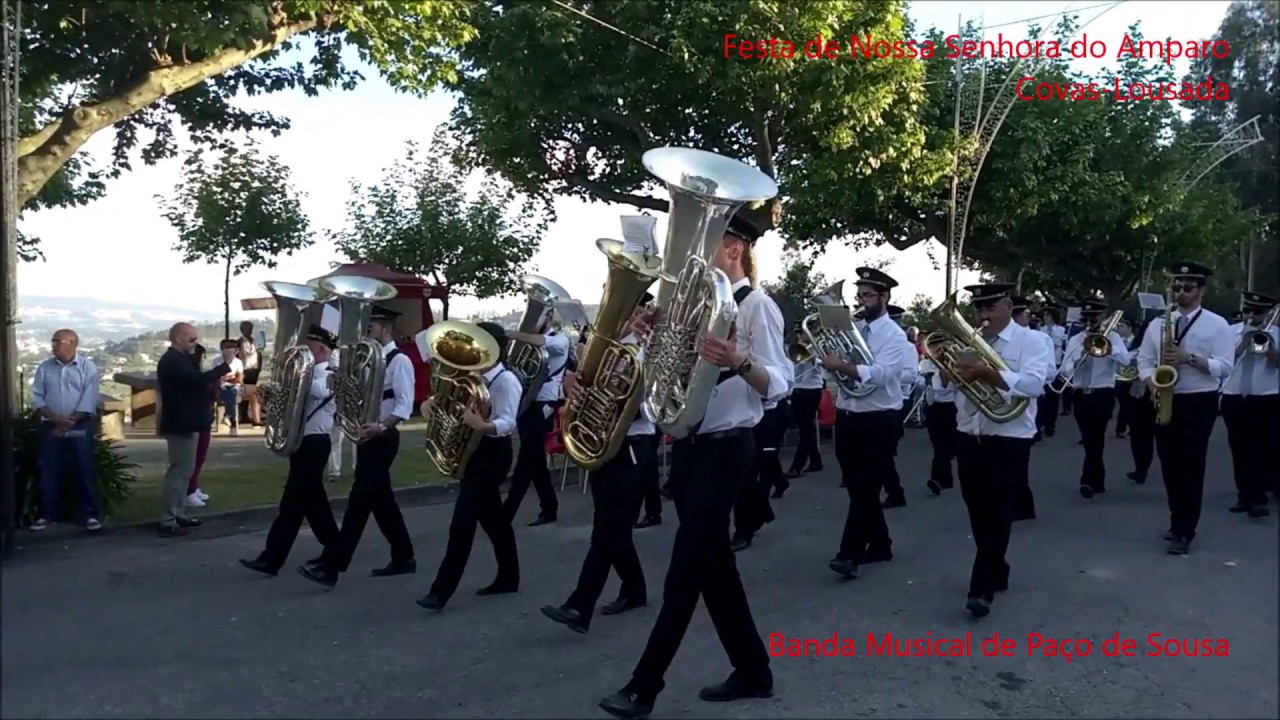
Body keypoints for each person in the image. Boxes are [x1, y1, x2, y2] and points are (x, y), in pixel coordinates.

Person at [598, 215, 787, 720]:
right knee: (715, 570)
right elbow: (666, 376)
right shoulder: (692, 306)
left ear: (736, 248)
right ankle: (753, 671)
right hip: (690, 448)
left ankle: (643, 687)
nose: (698, 252)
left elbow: (780, 382)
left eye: (711, 241)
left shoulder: (757, 305)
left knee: (684, 574)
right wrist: (649, 334)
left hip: (727, 449)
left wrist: (738, 360)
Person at [542, 296, 657, 632]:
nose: (626, 317)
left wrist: (608, 398)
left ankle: (580, 605)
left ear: (642, 314)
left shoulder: (650, 349)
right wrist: (571, 385)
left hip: (632, 442)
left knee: (607, 529)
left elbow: (649, 405)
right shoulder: (606, 347)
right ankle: (635, 590)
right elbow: (578, 381)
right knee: (612, 527)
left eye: (631, 310)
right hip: (602, 439)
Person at [946, 283, 1050, 617]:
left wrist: (990, 374)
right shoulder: (968, 342)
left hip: (1009, 437)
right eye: (978, 309)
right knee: (976, 509)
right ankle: (996, 567)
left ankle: (981, 588)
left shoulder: (1032, 341)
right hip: (969, 433)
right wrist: (946, 374)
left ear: (1007, 306)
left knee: (998, 511)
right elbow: (943, 388)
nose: (982, 316)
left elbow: (1034, 385)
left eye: (989, 308)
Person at [299, 305, 417, 586]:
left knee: (358, 503)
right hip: (366, 435)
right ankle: (404, 556)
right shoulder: (367, 359)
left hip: (383, 436)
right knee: (382, 502)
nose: (368, 329)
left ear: (386, 327)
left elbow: (405, 405)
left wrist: (381, 426)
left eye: (372, 325)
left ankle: (332, 566)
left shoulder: (399, 361)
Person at [415, 322, 523, 610]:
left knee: (462, 522)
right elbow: (445, 399)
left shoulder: (506, 381)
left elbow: (508, 421)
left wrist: (483, 425)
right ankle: (509, 576)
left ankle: (440, 591)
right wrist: (429, 404)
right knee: (493, 520)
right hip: (473, 453)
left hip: (493, 453)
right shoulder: (469, 377)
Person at [1136, 262, 1234, 556]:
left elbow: (1225, 367)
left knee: (1191, 466)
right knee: (1169, 464)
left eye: (1187, 287)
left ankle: (1185, 529)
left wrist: (1188, 358)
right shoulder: (1158, 324)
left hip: (1198, 400)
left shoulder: (1217, 325)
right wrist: (1152, 384)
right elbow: (1143, 360)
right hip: (1164, 397)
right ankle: (1176, 518)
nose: (1181, 293)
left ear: (1201, 290)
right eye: (1177, 287)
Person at [822, 267, 910, 580]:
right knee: (859, 488)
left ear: (884, 297)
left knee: (865, 487)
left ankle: (849, 554)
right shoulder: (853, 328)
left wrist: (842, 366)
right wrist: (829, 361)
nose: (860, 301)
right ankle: (881, 545)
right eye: (858, 295)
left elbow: (881, 374)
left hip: (878, 419)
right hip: (848, 416)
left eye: (867, 295)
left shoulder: (895, 336)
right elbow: (837, 366)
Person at [239, 325, 342, 576]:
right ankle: (330, 550)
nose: (304, 353)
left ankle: (276, 559)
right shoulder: (306, 374)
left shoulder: (330, 375)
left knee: (298, 505)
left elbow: (317, 391)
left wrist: (289, 369)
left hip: (316, 443)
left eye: (309, 348)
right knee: (304, 505)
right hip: (301, 442)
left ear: (321, 350)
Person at [156, 323, 232, 538]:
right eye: (192, 339)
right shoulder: (172, 361)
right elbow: (197, 380)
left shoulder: (182, 359)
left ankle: (178, 513)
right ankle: (168, 519)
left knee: (185, 471)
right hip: (180, 423)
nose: (195, 343)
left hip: (189, 422)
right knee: (178, 472)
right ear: (178, 338)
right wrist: (224, 365)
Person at [28, 328, 103, 533]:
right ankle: (46, 515)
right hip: (50, 426)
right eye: (53, 341)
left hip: (80, 425)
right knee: (48, 470)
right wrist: (55, 419)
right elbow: (37, 397)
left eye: (57, 341)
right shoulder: (44, 368)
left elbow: (89, 397)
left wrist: (71, 420)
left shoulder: (87, 367)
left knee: (83, 469)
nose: (53, 345)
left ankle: (89, 515)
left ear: (72, 344)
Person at [503, 315, 573, 527]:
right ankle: (549, 507)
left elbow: (542, 341)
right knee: (536, 462)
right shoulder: (529, 342)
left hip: (545, 404)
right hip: (527, 402)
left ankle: (506, 513)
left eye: (537, 316)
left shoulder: (560, 339)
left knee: (525, 461)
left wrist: (514, 335)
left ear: (548, 318)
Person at [1058, 301, 1130, 500]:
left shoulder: (1113, 337)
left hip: (1102, 392)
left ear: (1102, 319)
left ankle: (1088, 480)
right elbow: (1064, 370)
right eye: (1088, 319)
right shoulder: (1076, 340)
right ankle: (1097, 480)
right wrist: (1079, 358)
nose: (1091, 323)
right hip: (1081, 393)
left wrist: (1109, 349)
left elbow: (1125, 361)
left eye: (1095, 319)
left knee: (1095, 437)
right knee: (1090, 438)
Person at [1220, 291, 1278, 518]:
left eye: (1258, 312)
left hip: (1265, 396)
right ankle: (1244, 494)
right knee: (1239, 448)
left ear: (1267, 314)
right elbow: (1222, 360)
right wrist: (1241, 345)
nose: (1252, 316)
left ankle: (1259, 497)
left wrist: (1270, 350)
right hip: (1234, 395)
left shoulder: (1276, 333)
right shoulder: (1230, 332)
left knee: (1263, 448)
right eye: (1248, 311)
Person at [785, 324, 825, 482]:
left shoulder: (818, 347)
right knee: (805, 428)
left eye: (803, 333)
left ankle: (797, 466)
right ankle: (816, 461)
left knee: (806, 429)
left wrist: (813, 356)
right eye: (799, 333)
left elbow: (823, 366)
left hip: (812, 389)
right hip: (798, 389)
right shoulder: (796, 349)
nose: (801, 336)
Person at [920, 342, 957, 496]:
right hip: (932, 405)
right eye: (934, 346)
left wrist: (944, 363)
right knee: (938, 444)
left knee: (941, 447)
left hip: (949, 406)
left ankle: (939, 479)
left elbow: (944, 386)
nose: (937, 350)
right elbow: (925, 377)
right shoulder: (927, 363)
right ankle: (945, 479)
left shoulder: (953, 363)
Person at [1125, 318, 1158, 485]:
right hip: (1138, 395)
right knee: (1138, 435)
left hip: (1161, 394)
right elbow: (1124, 370)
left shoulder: (1165, 348)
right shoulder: (1135, 350)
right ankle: (1141, 468)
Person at [184, 344, 218, 508]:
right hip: (196, 419)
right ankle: (188, 490)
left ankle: (193, 485)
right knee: (193, 457)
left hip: (204, 418)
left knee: (200, 456)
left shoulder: (200, 374)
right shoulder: (192, 376)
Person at [1037, 305, 1067, 437]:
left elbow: (1065, 347)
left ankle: (1051, 424)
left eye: (1048, 315)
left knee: (1053, 399)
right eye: (1044, 315)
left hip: (1057, 365)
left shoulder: (1061, 330)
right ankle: (1040, 425)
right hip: (1044, 365)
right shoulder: (1041, 330)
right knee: (1042, 398)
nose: (1045, 318)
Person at [1113, 317, 1137, 438]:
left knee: (1129, 405)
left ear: (1130, 328)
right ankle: (1121, 429)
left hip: (1132, 377)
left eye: (1122, 326)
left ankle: (1126, 428)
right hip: (1118, 377)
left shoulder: (1137, 341)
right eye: (1118, 326)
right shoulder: (1116, 342)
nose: (1119, 329)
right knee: (1123, 404)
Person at [237, 320, 263, 427]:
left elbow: (259, 354)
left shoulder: (255, 341)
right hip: (244, 369)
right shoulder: (239, 342)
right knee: (245, 391)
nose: (249, 330)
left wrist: (259, 367)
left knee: (252, 391)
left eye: (251, 328)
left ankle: (247, 415)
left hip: (254, 369)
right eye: (247, 328)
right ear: (242, 330)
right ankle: (243, 415)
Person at [218, 338, 245, 436]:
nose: (230, 350)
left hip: (235, 388)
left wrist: (226, 378)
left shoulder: (238, 362)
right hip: (220, 388)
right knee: (228, 392)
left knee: (232, 392)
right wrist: (232, 377)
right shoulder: (216, 361)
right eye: (227, 347)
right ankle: (231, 420)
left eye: (232, 347)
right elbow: (216, 378)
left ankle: (228, 417)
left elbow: (239, 379)